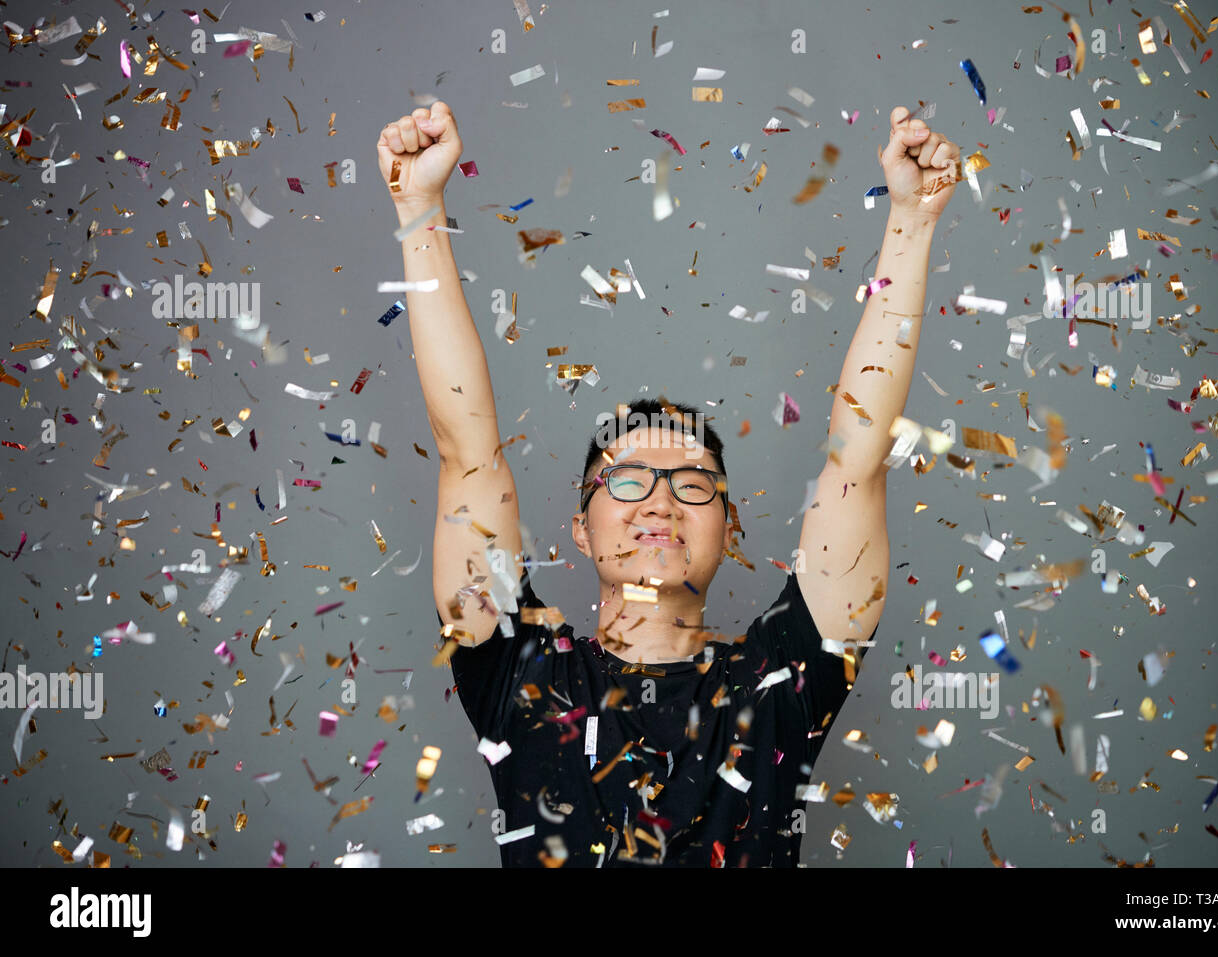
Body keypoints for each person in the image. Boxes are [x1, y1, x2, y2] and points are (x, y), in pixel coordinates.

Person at [376, 101, 960, 866]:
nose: (658, 498)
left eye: (692, 482)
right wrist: (419, 209)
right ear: (580, 527)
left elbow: (858, 459)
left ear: (731, 522)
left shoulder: (779, 682)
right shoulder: (523, 668)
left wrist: (911, 221)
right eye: (626, 481)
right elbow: (468, 453)